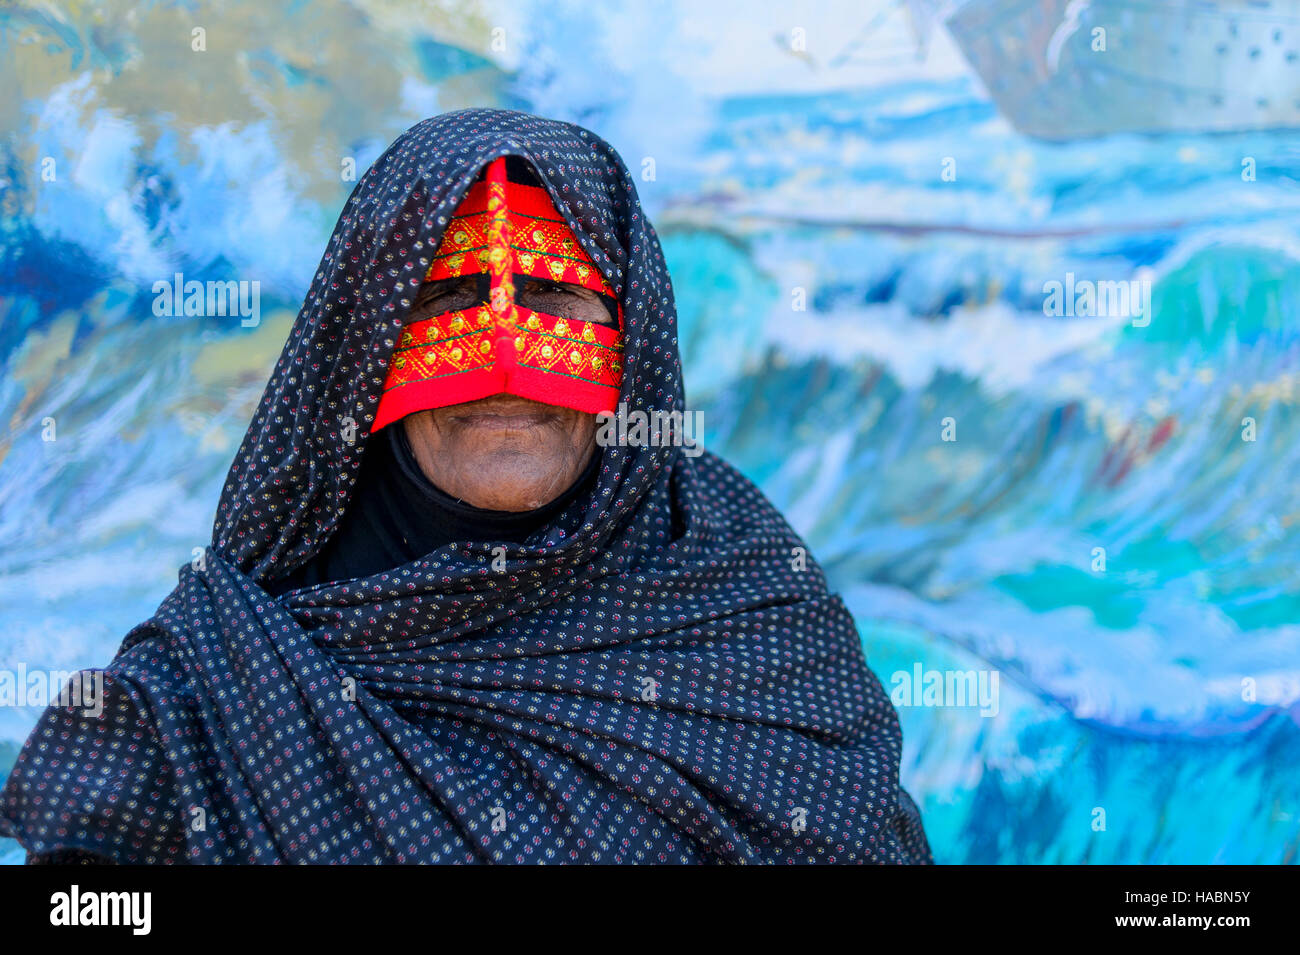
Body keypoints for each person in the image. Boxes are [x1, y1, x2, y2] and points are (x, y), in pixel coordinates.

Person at [0, 108, 932, 864]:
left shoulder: (746, 600)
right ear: (365, 346)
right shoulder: (212, 689)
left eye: (556, 300)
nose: (504, 363)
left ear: (632, 336)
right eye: (445, 302)